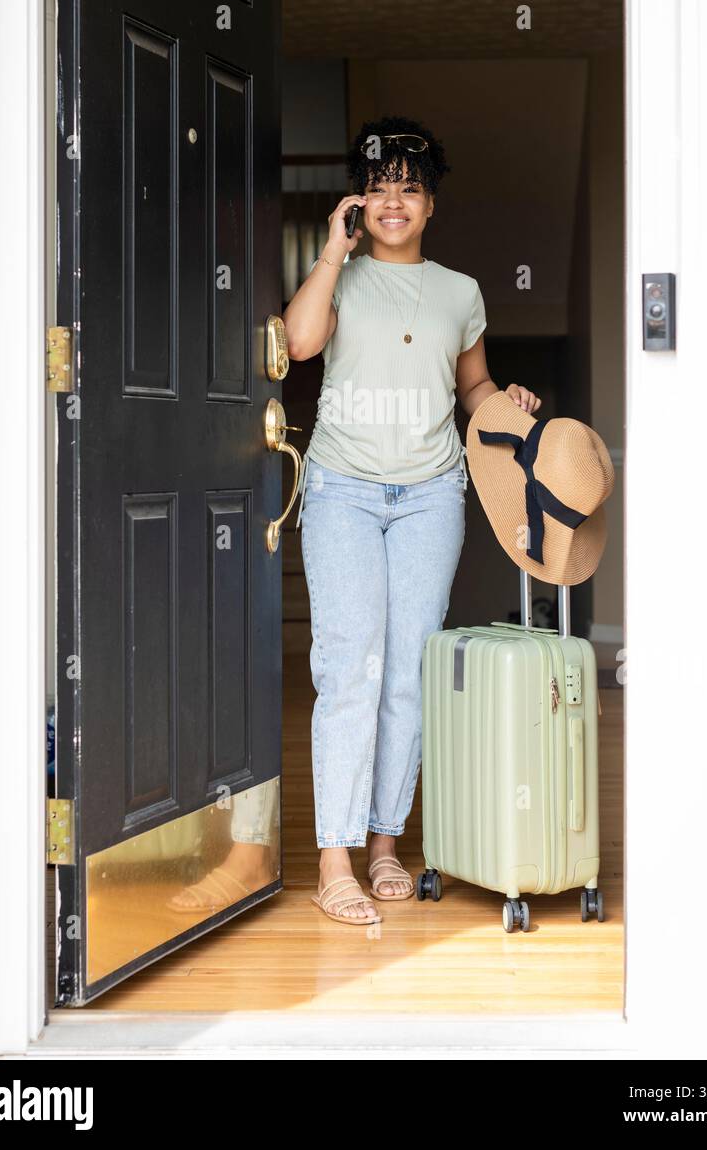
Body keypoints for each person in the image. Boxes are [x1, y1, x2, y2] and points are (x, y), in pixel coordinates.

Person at [282, 116, 542, 926]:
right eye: (381, 186)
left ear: (431, 204)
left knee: (405, 674)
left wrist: (507, 403)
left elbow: (471, 388)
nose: (395, 200)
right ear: (361, 199)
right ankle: (335, 857)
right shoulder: (341, 276)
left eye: (411, 187)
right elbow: (296, 343)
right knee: (348, 668)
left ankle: (386, 843)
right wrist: (332, 250)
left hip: (432, 493)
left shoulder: (460, 292)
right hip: (343, 491)